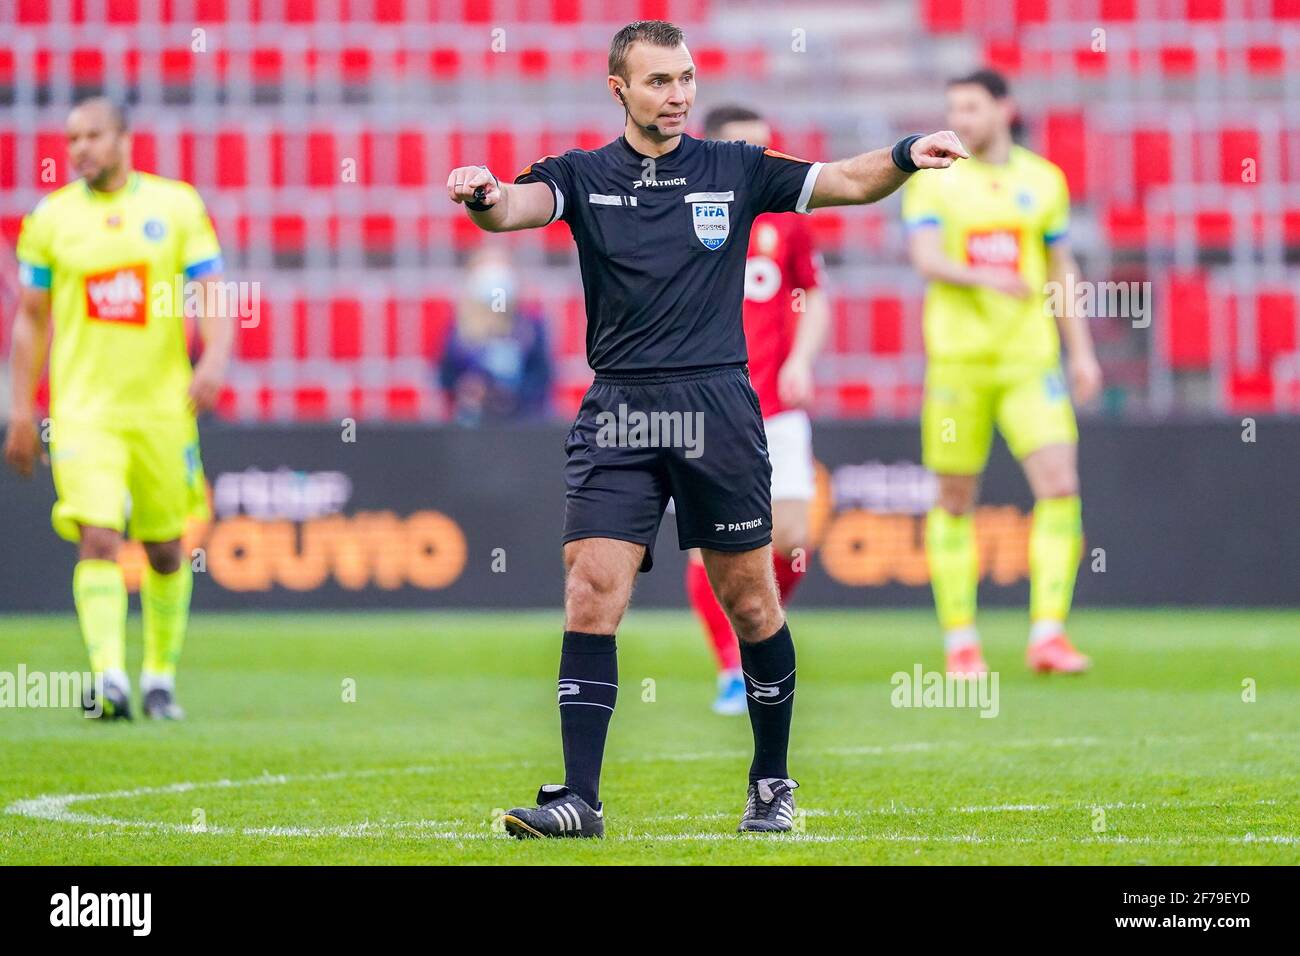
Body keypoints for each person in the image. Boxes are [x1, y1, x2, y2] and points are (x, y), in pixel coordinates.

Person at [446, 19, 966, 837]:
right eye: (660, 81)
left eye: (686, 77)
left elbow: (847, 183)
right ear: (619, 89)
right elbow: (513, 206)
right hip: (618, 408)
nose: (679, 93)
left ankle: (771, 783)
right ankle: (580, 800)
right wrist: (482, 196)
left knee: (751, 602)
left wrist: (904, 154)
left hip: (716, 407)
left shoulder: (735, 167)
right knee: (591, 589)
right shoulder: (580, 175)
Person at [3, 96, 231, 720]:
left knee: (162, 548)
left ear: (124, 138)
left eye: (91, 136)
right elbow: (30, 320)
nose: (78, 149)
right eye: (71, 138)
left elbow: (212, 290)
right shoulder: (50, 219)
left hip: (162, 408)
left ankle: (158, 678)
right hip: (84, 411)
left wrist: (212, 361)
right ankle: (109, 681)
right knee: (99, 535)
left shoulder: (175, 205)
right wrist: (19, 409)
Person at [901, 69, 1101, 677]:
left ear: (1004, 109)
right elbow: (926, 258)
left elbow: (1061, 267)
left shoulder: (1044, 181)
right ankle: (961, 641)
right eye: (952, 106)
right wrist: (985, 275)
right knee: (956, 499)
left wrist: (1083, 352)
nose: (959, 117)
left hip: (1028, 362)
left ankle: (1047, 634)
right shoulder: (935, 178)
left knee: (1060, 484)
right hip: (959, 365)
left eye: (971, 106)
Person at [689, 105, 830, 716]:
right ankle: (730, 670)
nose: (762, 162)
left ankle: (760, 629)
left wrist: (802, 359)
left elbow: (816, 296)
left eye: (768, 149)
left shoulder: (787, 218)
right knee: (709, 541)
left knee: (793, 536)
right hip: (706, 398)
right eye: (749, 150)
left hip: (776, 397)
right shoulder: (685, 211)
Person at [438, 248, 552, 425]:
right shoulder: (457, 331)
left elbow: (543, 377)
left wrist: (512, 394)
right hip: (472, 425)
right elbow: (446, 378)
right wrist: (467, 389)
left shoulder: (531, 326)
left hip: (522, 424)